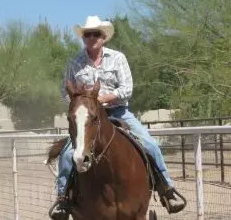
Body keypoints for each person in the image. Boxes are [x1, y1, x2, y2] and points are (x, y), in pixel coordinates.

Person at [49, 16, 186, 219]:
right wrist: (82, 100)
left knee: (150, 144)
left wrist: (103, 98)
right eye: (88, 34)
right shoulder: (74, 62)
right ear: (83, 38)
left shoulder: (117, 58)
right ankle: (63, 199)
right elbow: (64, 91)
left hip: (118, 111)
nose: (92, 37)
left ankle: (166, 189)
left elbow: (127, 89)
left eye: (96, 34)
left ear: (104, 37)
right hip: (87, 117)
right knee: (68, 155)